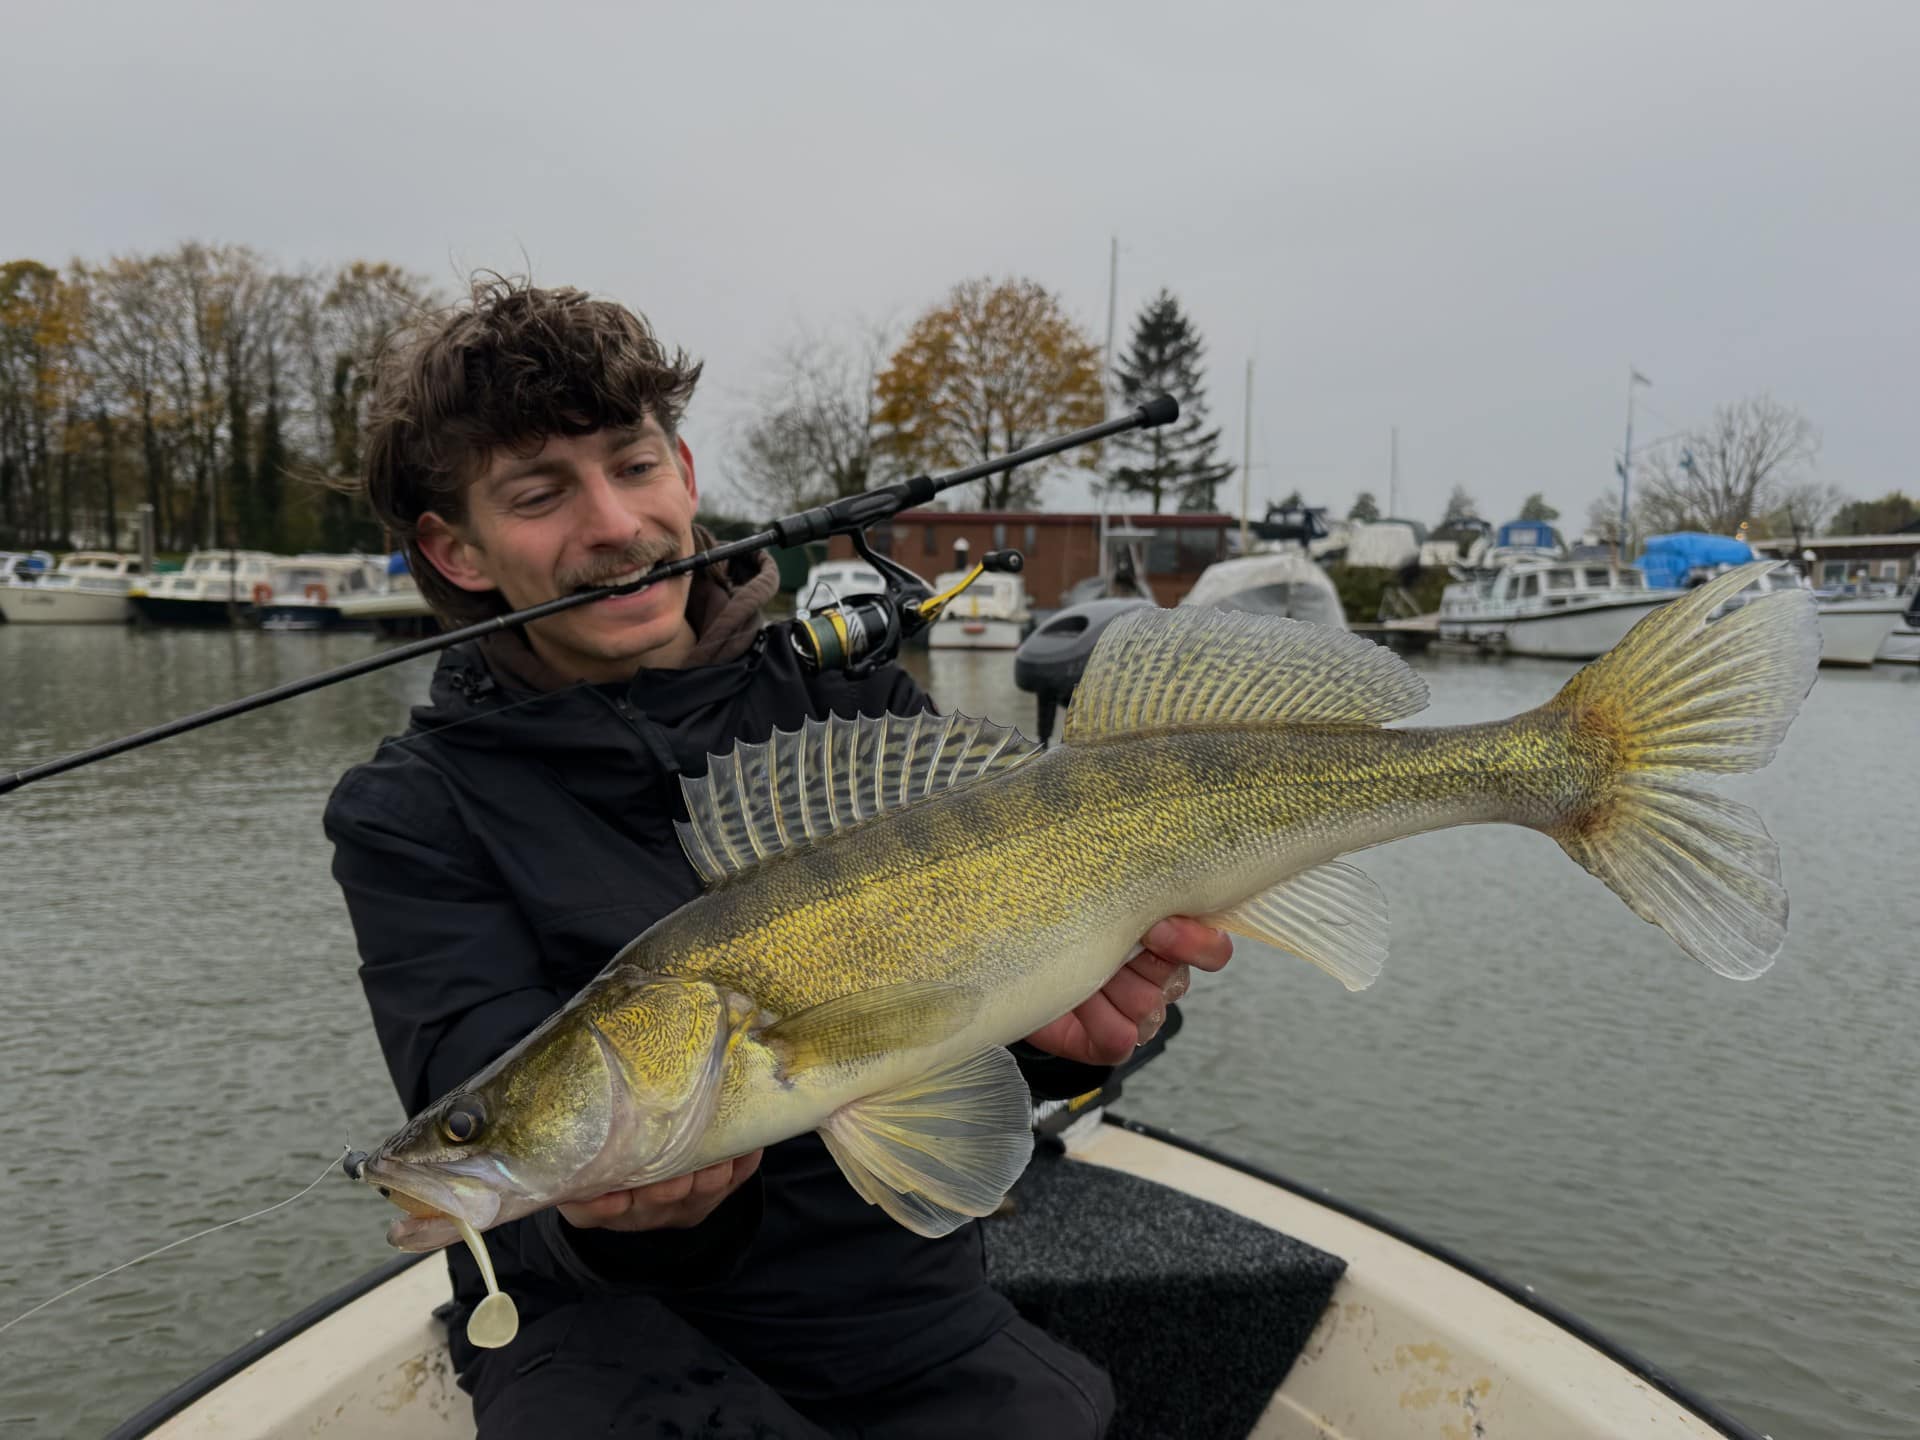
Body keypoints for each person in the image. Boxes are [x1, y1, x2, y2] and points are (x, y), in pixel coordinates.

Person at [324, 279, 1232, 1438]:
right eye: (542, 493)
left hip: (897, 1302)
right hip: (604, 1334)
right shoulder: (412, 814)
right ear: (457, 549)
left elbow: (969, 1045)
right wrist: (624, 1215)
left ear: (687, 474)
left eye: (634, 464)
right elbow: (495, 1112)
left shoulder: (847, 706)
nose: (614, 525)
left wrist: (1067, 1048)